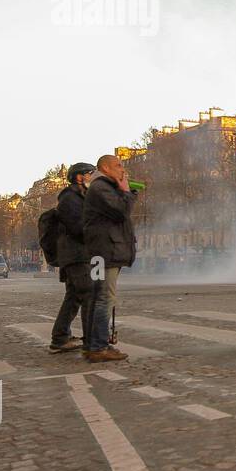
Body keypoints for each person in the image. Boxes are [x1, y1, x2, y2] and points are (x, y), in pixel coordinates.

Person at [82, 154, 135, 362]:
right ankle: (98, 347)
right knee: (104, 298)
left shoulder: (98, 187)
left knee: (99, 298)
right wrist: (126, 192)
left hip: (101, 251)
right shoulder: (101, 187)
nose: (123, 169)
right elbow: (122, 211)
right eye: (118, 165)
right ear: (105, 168)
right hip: (106, 251)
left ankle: (93, 345)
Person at [49, 162, 96, 353]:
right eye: (90, 174)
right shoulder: (69, 198)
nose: (92, 178)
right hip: (76, 255)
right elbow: (77, 228)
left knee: (74, 297)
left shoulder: (78, 197)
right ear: (79, 177)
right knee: (89, 295)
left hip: (77, 254)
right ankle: (92, 341)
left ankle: (60, 337)